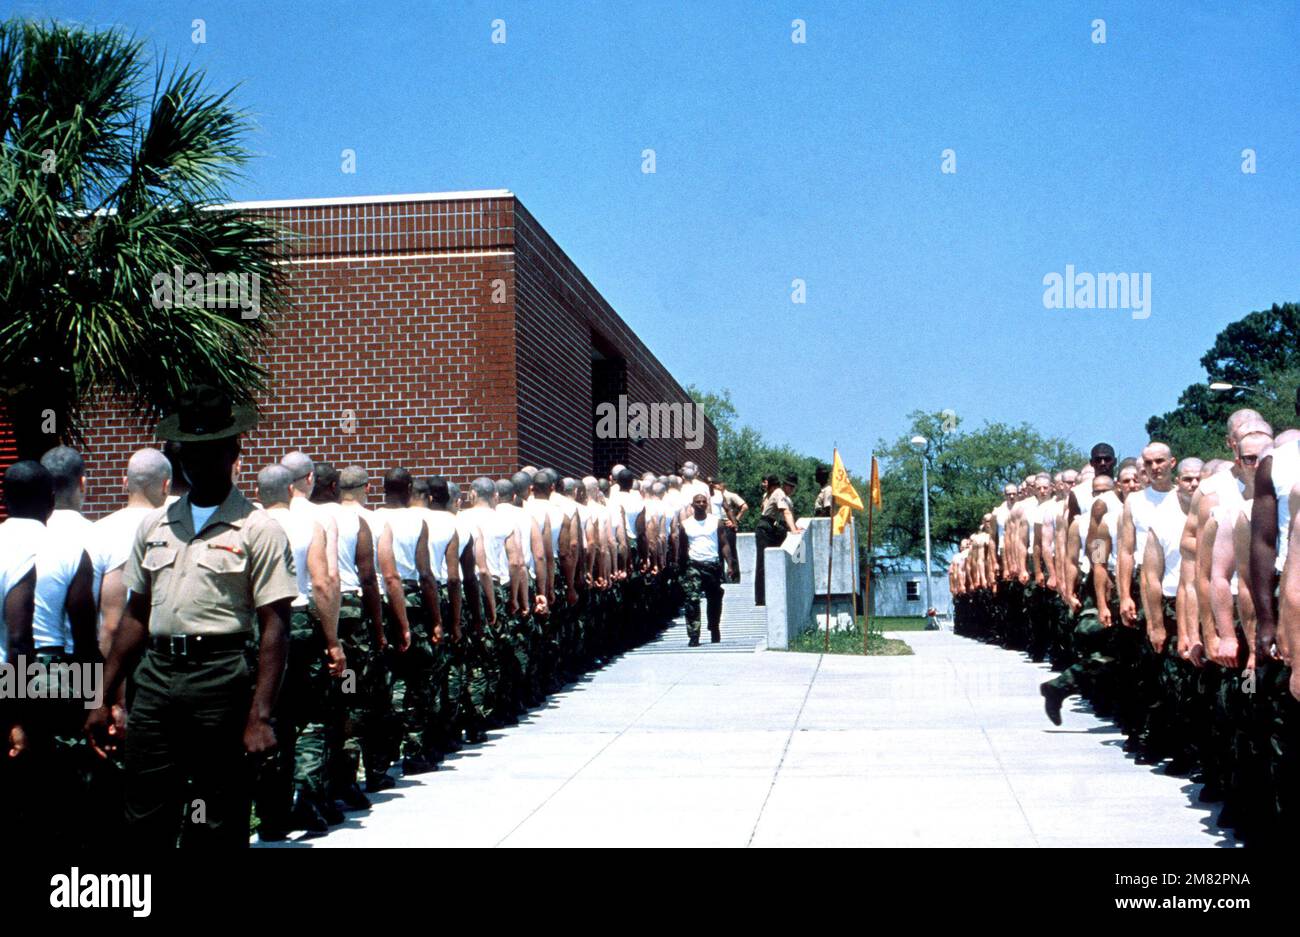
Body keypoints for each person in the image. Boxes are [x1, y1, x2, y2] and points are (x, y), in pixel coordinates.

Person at [84, 385, 298, 848]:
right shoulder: (155, 526)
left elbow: (275, 628)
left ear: (232, 451)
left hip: (220, 678)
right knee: (144, 812)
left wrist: (260, 715)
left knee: (217, 816)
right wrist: (101, 696)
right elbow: (135, 616)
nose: (195, 463)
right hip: (157, 679)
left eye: (207, 452)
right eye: (187, 453)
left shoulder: (259, 529)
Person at [256, 464, 346, 839]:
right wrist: (333, 640)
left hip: (261, 626)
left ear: (259, 493)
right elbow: (323, 583)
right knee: (311, 714)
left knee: (270, 716)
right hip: (301, 623)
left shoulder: (248, 525)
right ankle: (306, 795)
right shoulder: (309, 526)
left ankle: (271, 814)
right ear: (293, 490)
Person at [678, 492, 737, 646]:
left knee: (715, 598)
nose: (702, 504)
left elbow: (724, 544)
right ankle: (694, 635)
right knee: (692, 599)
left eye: (704, 502)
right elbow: (682, 548)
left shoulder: (716, 522)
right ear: (692, 505)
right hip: (693, 565)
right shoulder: (686, 524)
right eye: (698, 502)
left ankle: (714, 628)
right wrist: (681, 567)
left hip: (712, 564)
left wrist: (730, 564)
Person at [754, 474, 798, 606]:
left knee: (765, 563)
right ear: (782, 485)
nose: (791, 489)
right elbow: (786, 512)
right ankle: (761, 599)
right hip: (765, 526)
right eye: (790, 486)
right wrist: (794, 530)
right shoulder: (779, 493)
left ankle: (763, 596)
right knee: (762, 563)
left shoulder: (774, 495)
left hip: (768, 526)